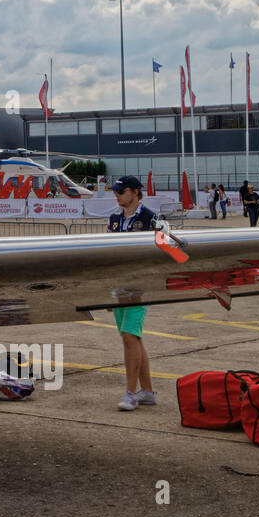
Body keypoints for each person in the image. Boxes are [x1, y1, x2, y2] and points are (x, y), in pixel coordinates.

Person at [106, 176, 157, 411]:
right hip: (120, 286)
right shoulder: (114, 219)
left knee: (129, 336)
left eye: (121, 191)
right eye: (116, 191)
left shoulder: (150, 218)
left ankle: (130, 393)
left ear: (135, 192)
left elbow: (166, 249)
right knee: (133, 337)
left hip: (141, 286)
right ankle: (147, 391)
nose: (117, 195)